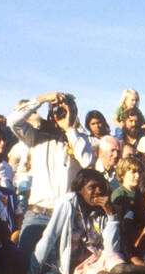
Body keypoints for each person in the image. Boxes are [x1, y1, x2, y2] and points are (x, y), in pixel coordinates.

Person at [10, 92, 94, 254]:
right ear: (50, 115)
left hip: (64, 216)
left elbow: (87, 161)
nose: (63, 115)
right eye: (59, 111)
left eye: (70, 112)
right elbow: (13, 122)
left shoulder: (79, 140)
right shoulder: (36, 137)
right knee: (24, 265)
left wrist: (69, 128)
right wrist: (42, 99)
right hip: (37, 213)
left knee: (57, 270)